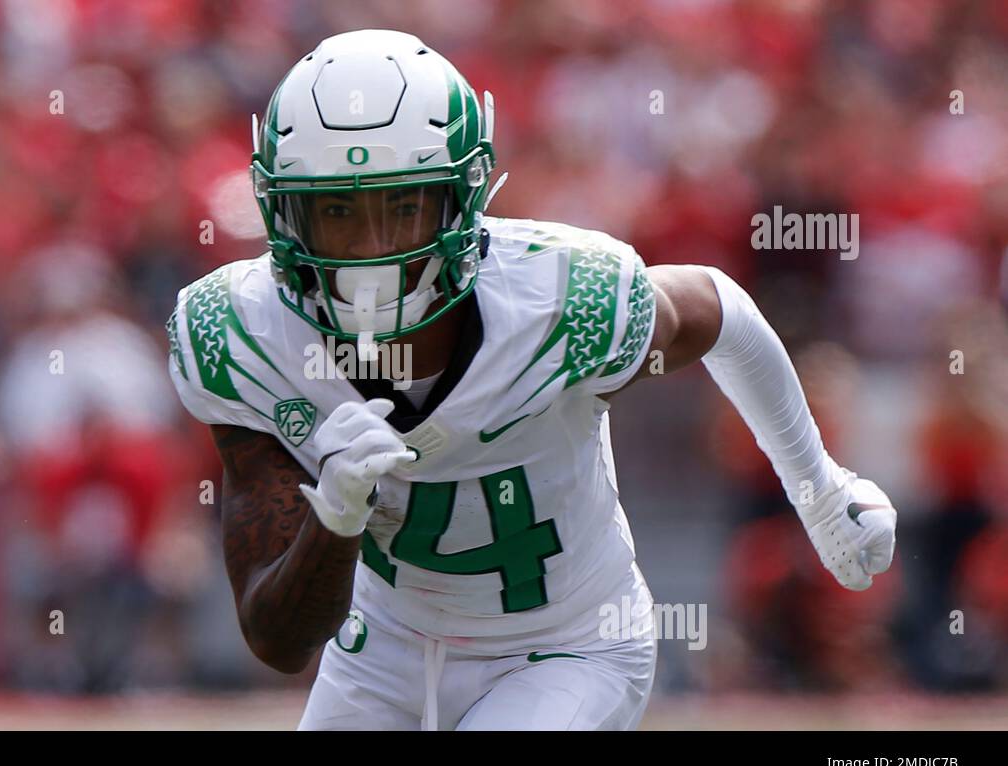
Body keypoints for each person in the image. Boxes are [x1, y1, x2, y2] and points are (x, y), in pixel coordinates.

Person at [166, 29, 897, 730]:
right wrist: (334, 519)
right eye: (335, 211)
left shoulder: (561, 302)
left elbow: (716, 309)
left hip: (571, 643)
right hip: (384, 649)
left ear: (462, 200)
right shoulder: (241, 332)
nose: (373, 252)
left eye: (402, 205)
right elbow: (278, 637)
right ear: (281, 212)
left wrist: (820, 490)